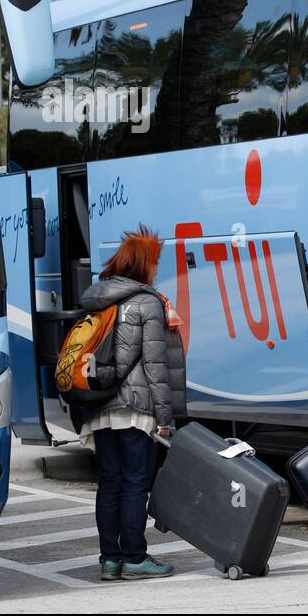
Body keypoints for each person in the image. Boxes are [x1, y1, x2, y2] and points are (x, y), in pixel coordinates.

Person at [79, 225, 187, 581]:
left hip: (100, 405)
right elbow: (155, 366)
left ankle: (110, 559)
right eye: (154, 262)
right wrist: (165, 417)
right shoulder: (147, 302)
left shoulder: (97, 298)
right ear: (143, 264)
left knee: (110, 482)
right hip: (135, 408)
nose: (156, 268)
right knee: (135, 483)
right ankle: (136, 557)